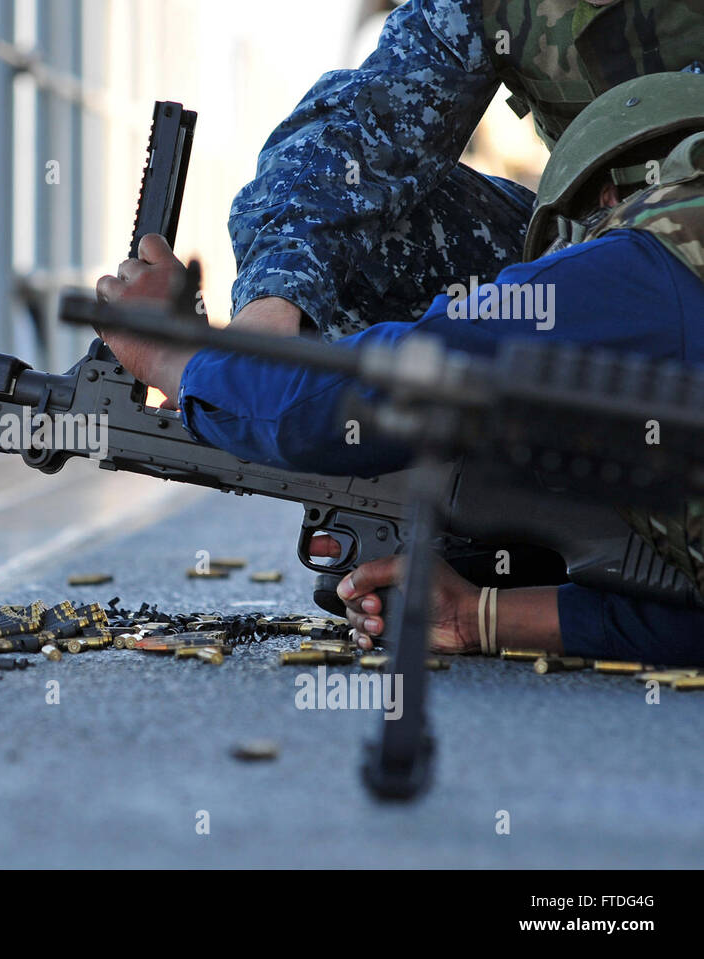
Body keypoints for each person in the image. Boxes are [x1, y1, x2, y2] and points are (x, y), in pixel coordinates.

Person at [96, 71, 704, 665]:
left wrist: (176, 362)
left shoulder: (652, 260)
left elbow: (397, 382)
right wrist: (476, 617)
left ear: (609, 198)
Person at [182, 0, 704, 351]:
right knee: (350, 234)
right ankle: (461, 494)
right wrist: (273, 301)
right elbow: (365, 125)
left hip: (678, 256)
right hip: (589, 262)